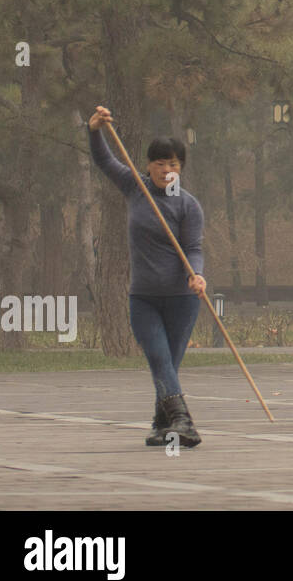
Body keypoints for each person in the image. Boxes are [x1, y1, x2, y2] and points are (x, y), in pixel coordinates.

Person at [87, 105, 206, 447]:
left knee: (168, 364)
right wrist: (94, 130)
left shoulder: (188, 205)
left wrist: (197, 275)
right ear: (149, 165)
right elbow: (105, 161)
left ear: (180, 167)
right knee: (157, 356)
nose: (166, 170)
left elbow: (193, 248)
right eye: (160, 163)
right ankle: (184, 422)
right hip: (143, 298)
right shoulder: (135, 187)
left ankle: (161, 424)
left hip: (182, 301)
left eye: (173, 164)